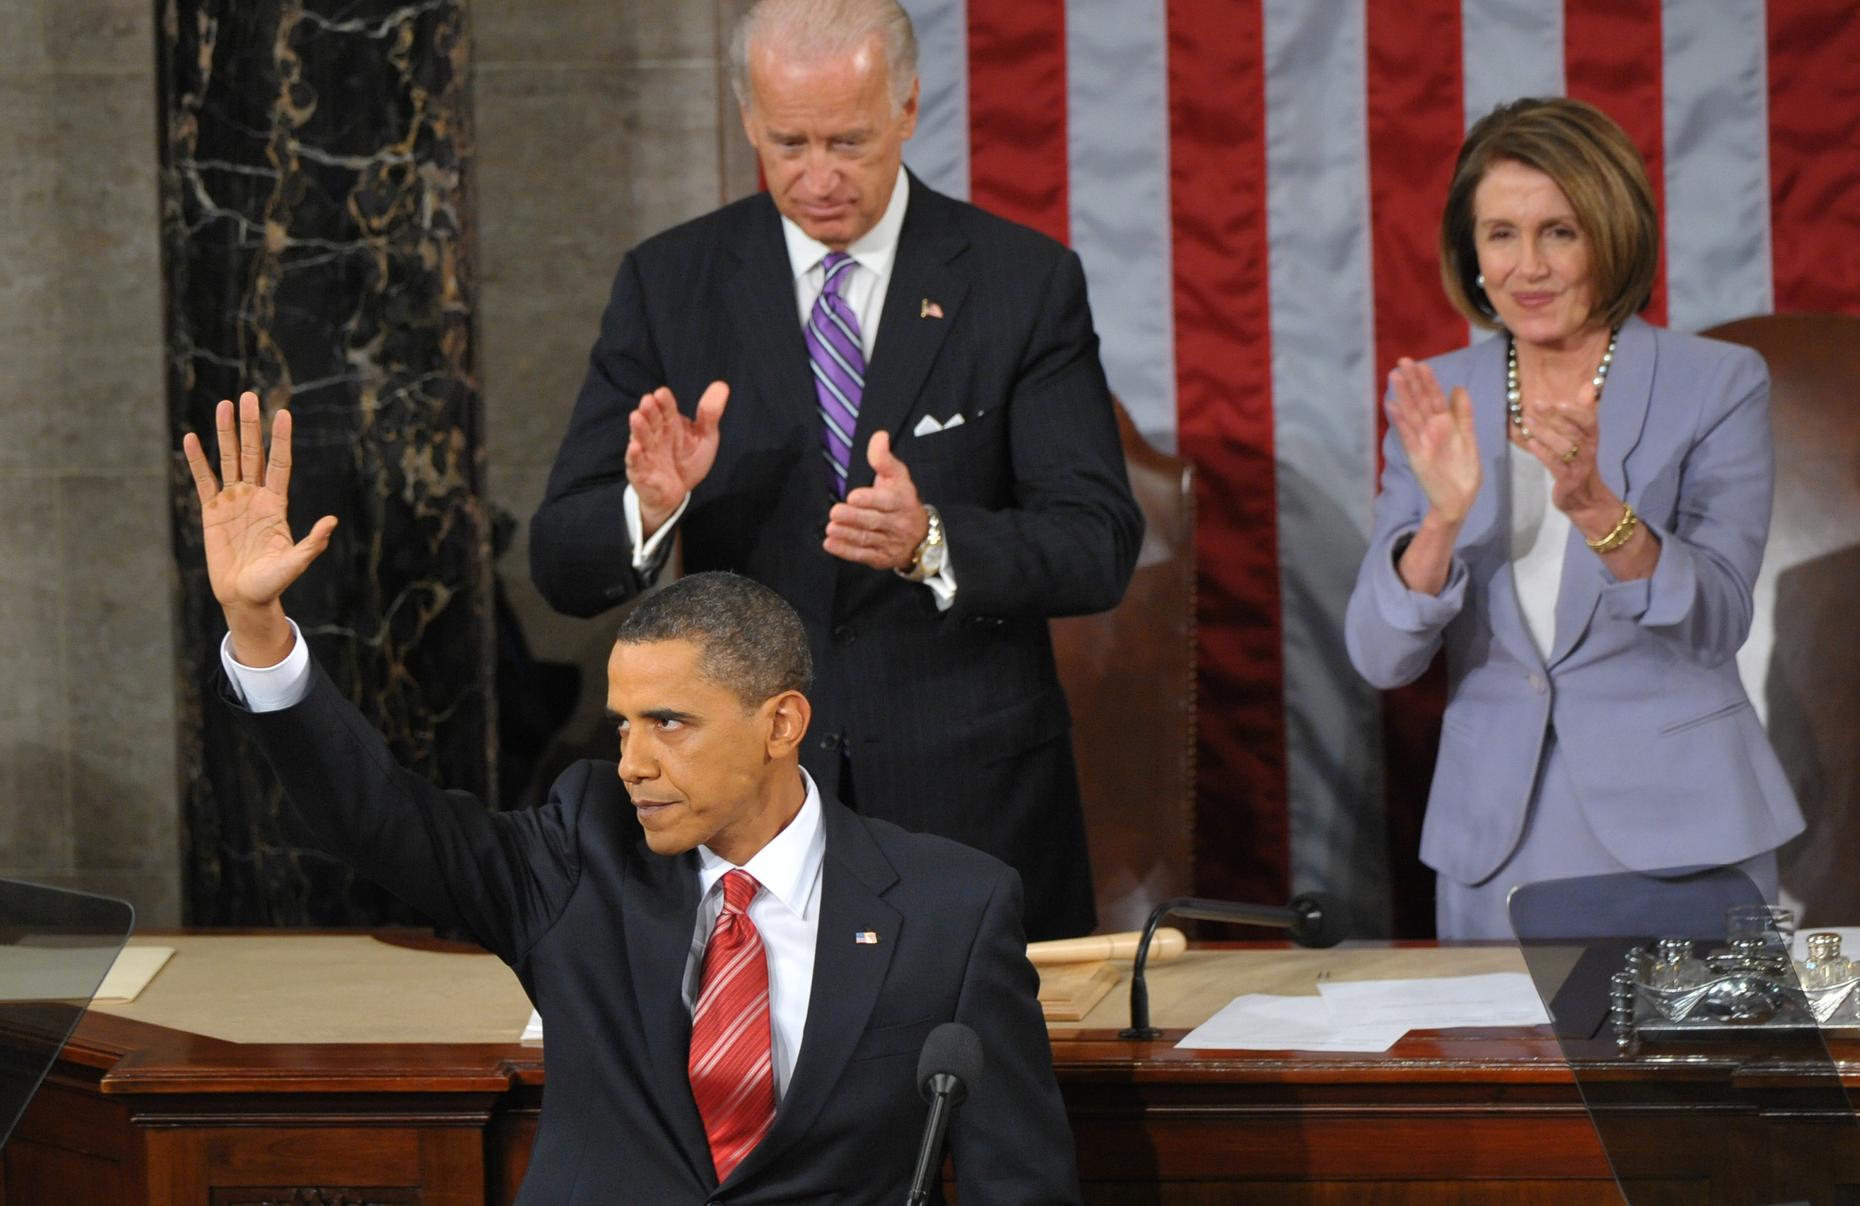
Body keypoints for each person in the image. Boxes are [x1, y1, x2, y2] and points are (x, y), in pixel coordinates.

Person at [182, 394, 1082, 1204]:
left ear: (781, 724)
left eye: (669, 724)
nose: (632, 763)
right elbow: (377, 818)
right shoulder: (578, 857)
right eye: (622, 726)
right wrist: (257, 628)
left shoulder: (950, 910)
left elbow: (1021, 1182)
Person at [527, 0, 1143, 942]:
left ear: (908, 107)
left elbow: (1097, 544)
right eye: (790, 143)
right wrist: (649, 509)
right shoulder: (670, 283)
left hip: (968, 805)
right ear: (748, 120)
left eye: (849, 141)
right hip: (750, 805)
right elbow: (562, 565)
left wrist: (932, 541)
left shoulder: (1022, 281)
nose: (819, 178)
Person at [1344, 98, 1803, 942]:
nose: (1528, 266)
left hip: (1681, 838)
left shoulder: (1716, 383)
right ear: (1471, 252)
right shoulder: (1440, 396)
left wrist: (1596, 508)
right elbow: (1381, 655)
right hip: (1496, 842)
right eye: (1501, 235)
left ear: (1613, 236)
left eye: (1559, 232)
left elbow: (1715, 620)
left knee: (1691, 1042)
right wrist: (1441, 521)